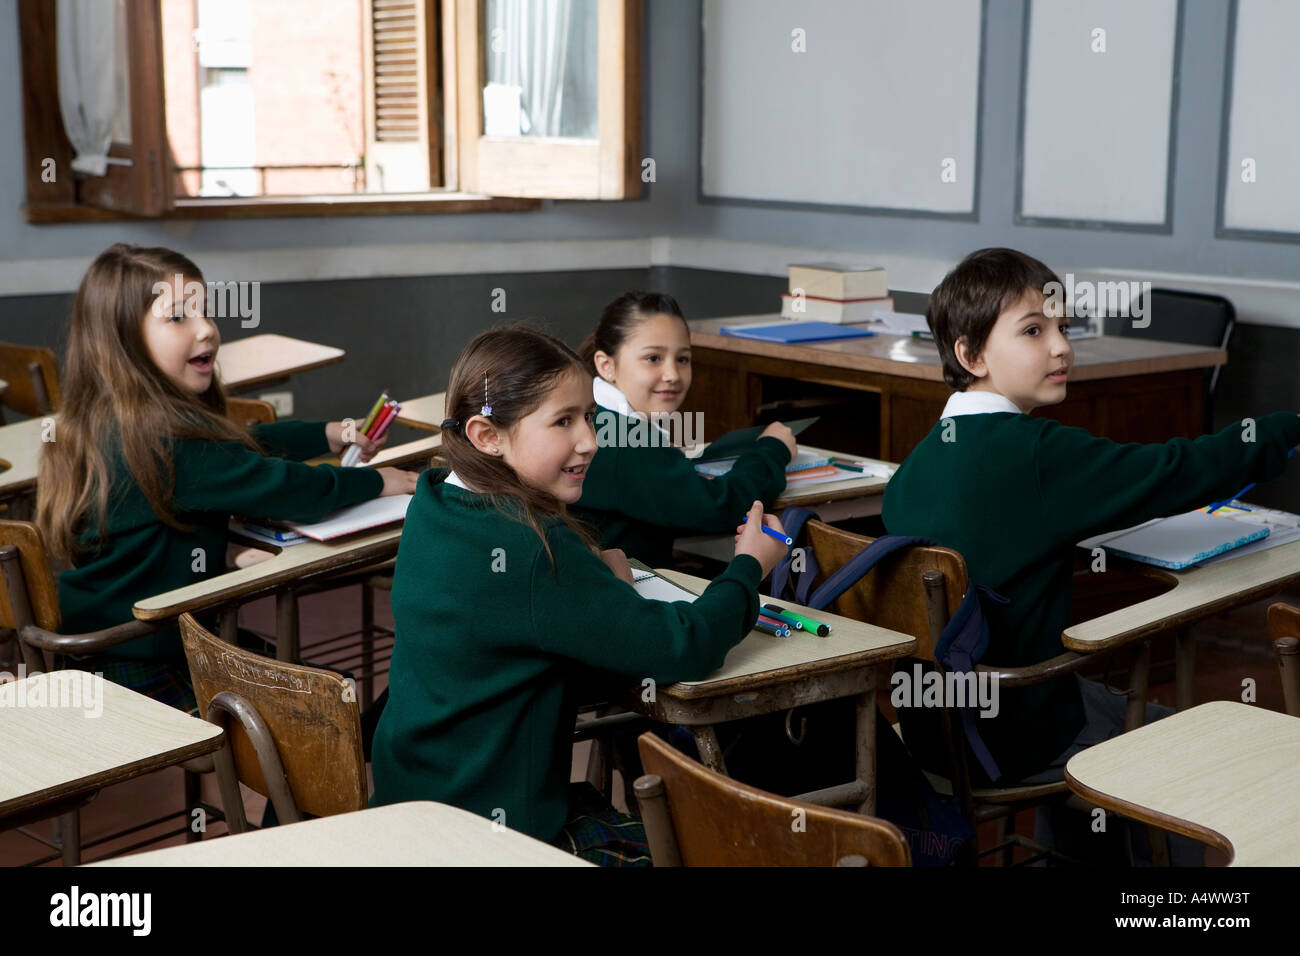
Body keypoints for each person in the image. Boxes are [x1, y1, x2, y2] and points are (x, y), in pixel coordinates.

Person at [369, 325, 789, 865]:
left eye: (589, 416)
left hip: (417, 807)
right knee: (707, 849)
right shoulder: (532, 546)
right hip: (493, 838)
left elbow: (527, 618)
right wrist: (750, 565)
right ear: (486, 435)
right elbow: (683, 646)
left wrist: (601, 586)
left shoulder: (436, 503)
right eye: (563, 421)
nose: (589, 440)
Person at [36, 243, 417, 712]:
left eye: (205, 311)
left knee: (317, 682)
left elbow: (239, 446)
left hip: (112, 642)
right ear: (124, 342)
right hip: (151, 658)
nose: (206, 328)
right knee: (332, 697)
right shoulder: (165, 442)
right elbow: (289, 491)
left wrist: (326, 434)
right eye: (179, 317)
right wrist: (378, 482)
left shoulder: (109, 419)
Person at [574, 291, 795, 566]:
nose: (673, 375)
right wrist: (773, 450)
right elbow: (717, 508)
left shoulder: (592, 413)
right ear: (606, 365)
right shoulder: (622, 437)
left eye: (683, 359)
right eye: (653, 358)